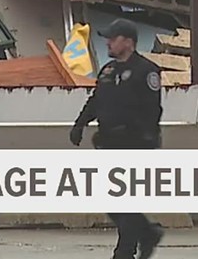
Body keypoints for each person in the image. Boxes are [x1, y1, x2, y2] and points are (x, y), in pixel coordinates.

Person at [70, 18, 165, 259]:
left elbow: (153, 109)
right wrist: (80, 124)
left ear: (129, 42)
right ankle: (147, 234)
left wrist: (146, 138)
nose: (108, 43)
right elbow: (96, 101)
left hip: (135, 143)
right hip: (110, 142)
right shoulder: (108, 71)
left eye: (113, 38)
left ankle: (125, 251)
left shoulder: (146, 70)